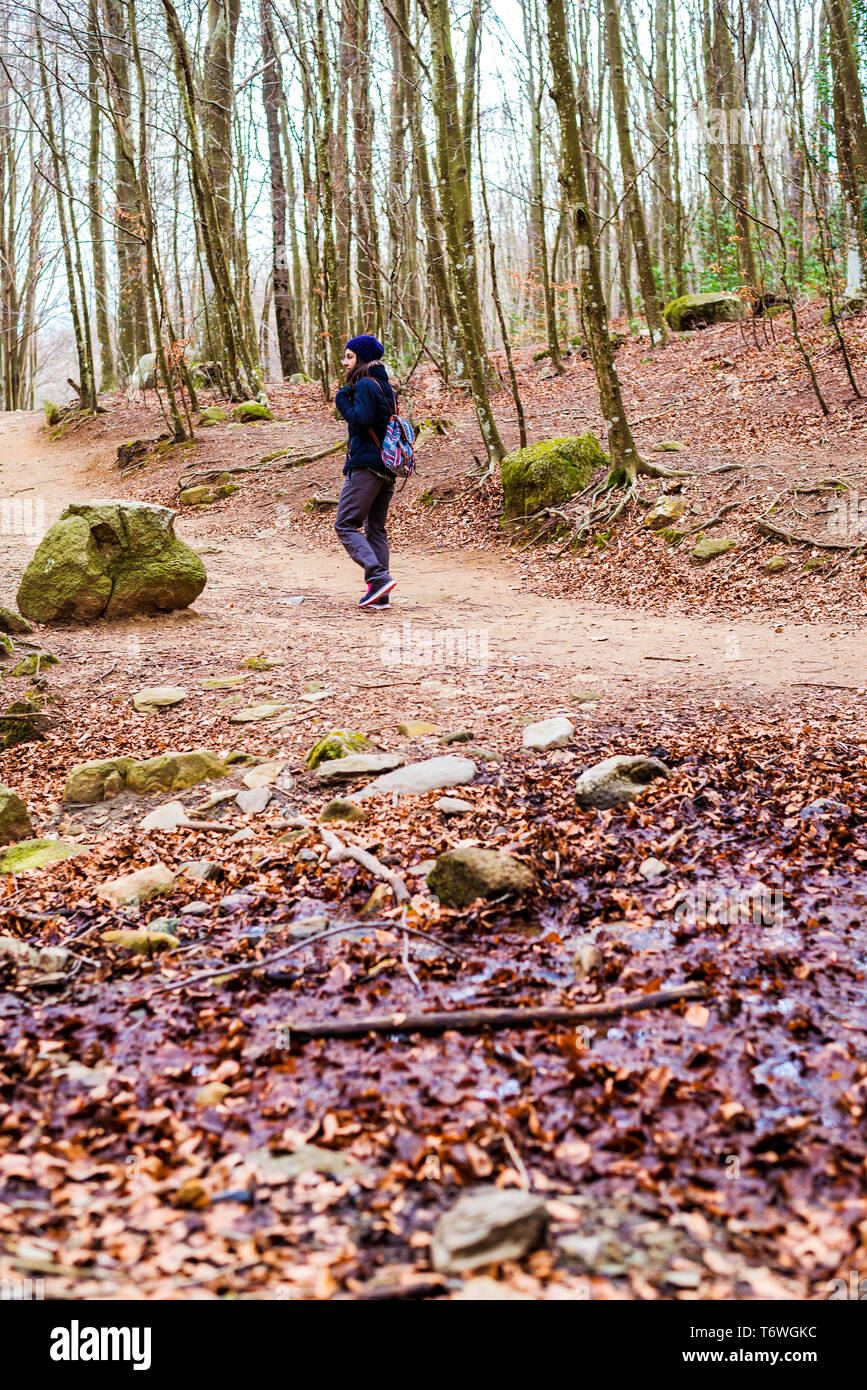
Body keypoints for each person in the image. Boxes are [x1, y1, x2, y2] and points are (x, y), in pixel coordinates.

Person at [333, 334, 398, 609]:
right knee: (375, 530)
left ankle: (378, 577)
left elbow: (361, 420)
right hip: (387, 467)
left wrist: (341, 400)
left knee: (345, 523)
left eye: (349, 356)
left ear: (362, 359)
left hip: (366, 467)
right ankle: (379, 596)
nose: (344, 361)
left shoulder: (365, 387)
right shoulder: (385, 387)